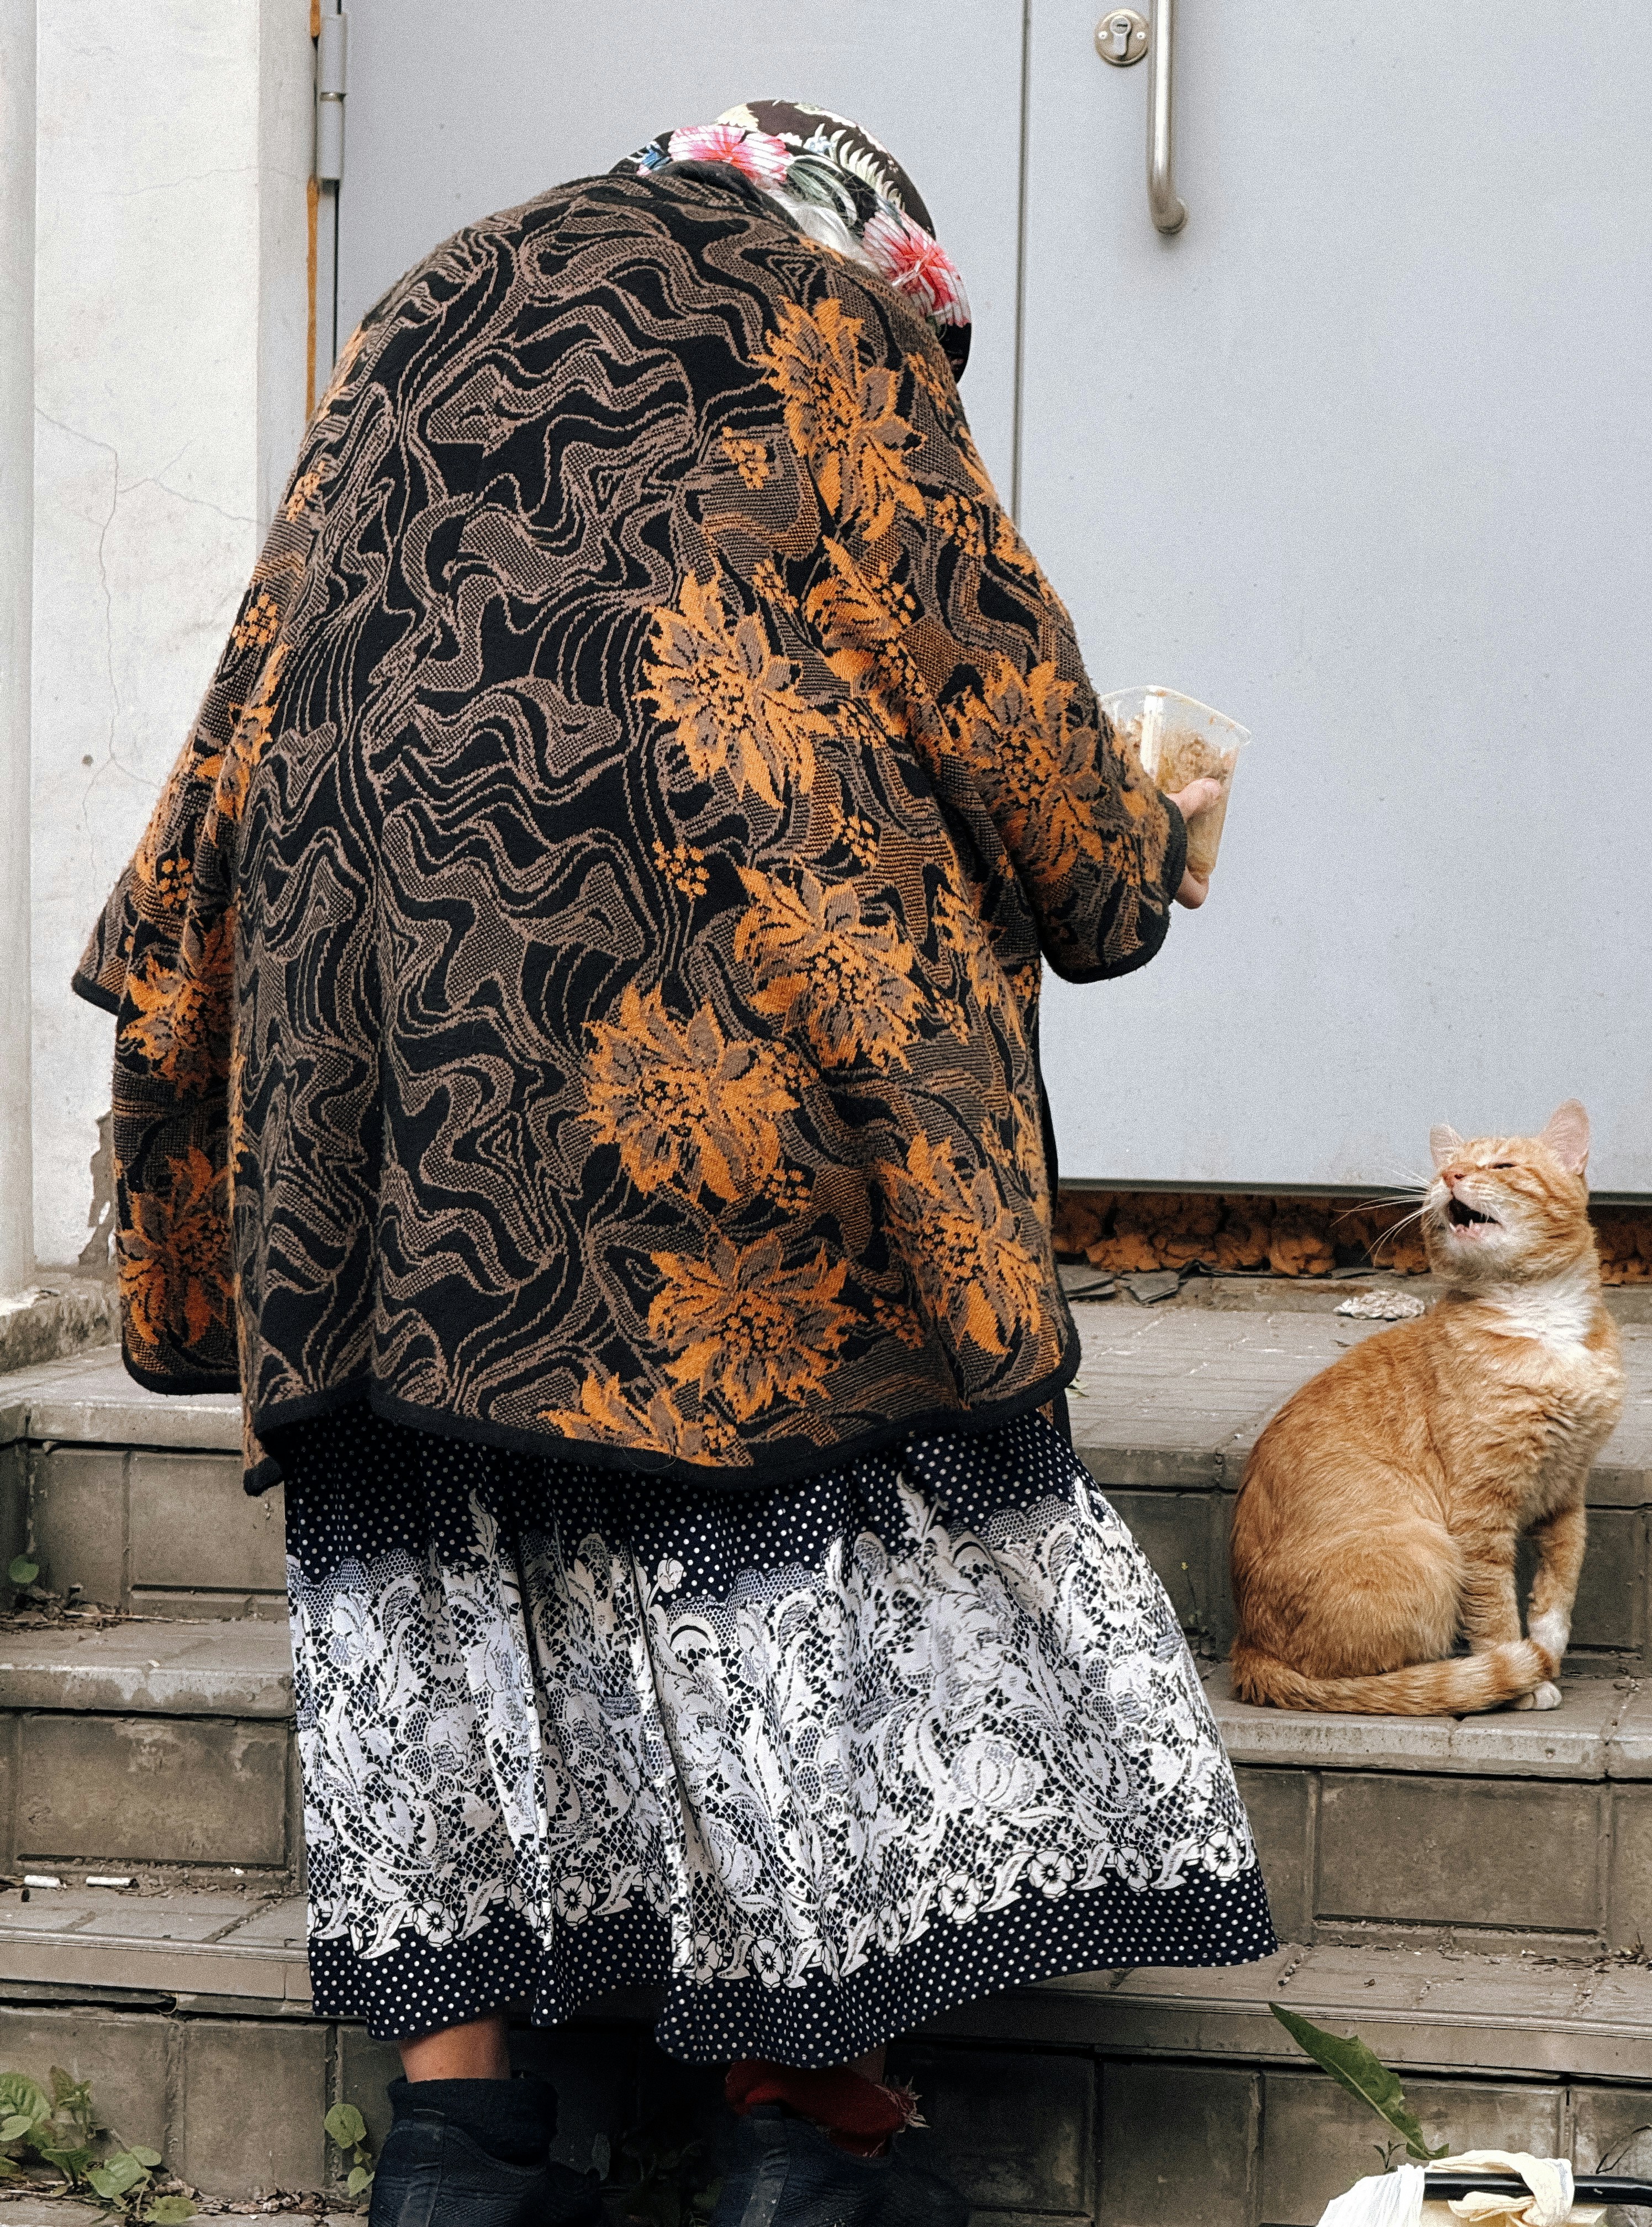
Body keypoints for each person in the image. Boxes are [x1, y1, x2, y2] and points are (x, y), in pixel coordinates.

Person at [73, 98, 1273, 2227]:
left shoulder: (424, 302)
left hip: (373, 1022)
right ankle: (799, 2131)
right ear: (892, 274)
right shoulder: (833, 336)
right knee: (789, 1470)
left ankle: (459, 2151)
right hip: (696, 1016)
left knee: (436, 1513)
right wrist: (1141, 845)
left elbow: (258, 684)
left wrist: (191, 1032)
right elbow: (1039, 784)